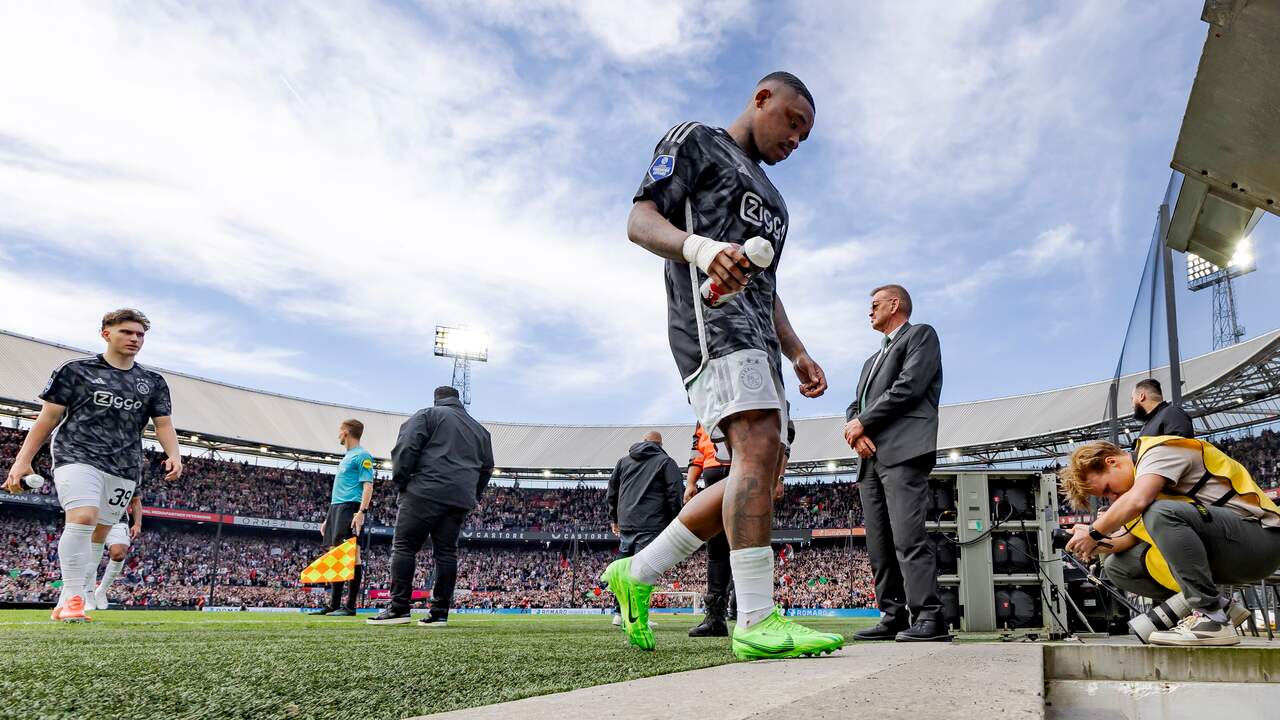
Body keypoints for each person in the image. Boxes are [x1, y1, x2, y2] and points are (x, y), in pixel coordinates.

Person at [603, 71, 844, 660]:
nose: (796, 141)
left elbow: (769, 287)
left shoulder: (777, 203)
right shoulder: (697, 140)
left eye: (806, 137)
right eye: (793, 123)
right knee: (756, 451)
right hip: (711, 325)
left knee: (758, 473)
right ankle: (757, 620)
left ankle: (637, 573)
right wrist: (702, 248)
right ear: (761, 99)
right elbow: (639, 219)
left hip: (761, 339)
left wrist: (798, 350)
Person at [2, 308, 182, 622]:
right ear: (106, 333)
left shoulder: (152, 381)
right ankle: (73, 598)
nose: (134, 339)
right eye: (127, 332)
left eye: (140, 334)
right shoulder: (76, 370)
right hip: (77, 453)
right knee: (84, 517)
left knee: (99, 533)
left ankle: (74, 593)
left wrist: (174, 455)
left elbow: (163, 424)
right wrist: (22, 461)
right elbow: (48, 417)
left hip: (125, 465)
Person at [1061, 436, 1280, 646]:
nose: (1112, 498)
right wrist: (1093, 544)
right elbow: (1126, 540)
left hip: (1262, 539)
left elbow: (1138, 501)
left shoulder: (1159, 452)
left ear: (1112, 462)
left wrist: (1093, 531)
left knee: (1159, 512)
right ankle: (1218, 608)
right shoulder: (1146, 491)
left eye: (1108, 489)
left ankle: (1212, 618)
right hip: (1228, 548)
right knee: (1118, 567)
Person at [843, 284, 948, 642]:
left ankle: (930, 617)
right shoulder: (870, 361)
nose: (869, 311)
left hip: (903, 451)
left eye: (874, 304)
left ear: (895, 304)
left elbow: (908, 387)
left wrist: (864, 422)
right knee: (880, 544)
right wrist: (856, 431)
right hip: (870, 458)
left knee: (908, 537)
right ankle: (893, 614)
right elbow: (853, 406)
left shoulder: (920, 336)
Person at [369, 386, 493, 627]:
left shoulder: (428, 415)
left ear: (437, 399)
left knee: (404, 546)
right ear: (458, 401)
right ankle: (439, 613)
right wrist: (472, 495)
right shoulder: (481, 431)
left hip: (424, 490)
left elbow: (406, 447)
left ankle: (399, 608)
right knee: (446, 553)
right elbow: (487, 468)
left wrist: (402, 480)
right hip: (459, 498)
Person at [606, 431, 683, 629]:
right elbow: (675, 492)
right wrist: (677, 519)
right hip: (652, 523)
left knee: (624, 568)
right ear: (661, 444)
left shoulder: (623, 462)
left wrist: (614, 518)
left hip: (627, 524)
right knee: (643, 572)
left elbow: (612, 492)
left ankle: (618, 612)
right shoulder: (666, 462)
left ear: (643, 442)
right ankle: (638, 616)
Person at [310, 419, 377, 617]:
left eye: (340, 430)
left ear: (347, 432)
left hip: (351, 508)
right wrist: (328, 518)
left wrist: (361, 512)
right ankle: (334, 604)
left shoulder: (363, 456)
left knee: (352, 556)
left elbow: (368, 485)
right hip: (336, 509)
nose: (338, 434)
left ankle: (350, 607)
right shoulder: (347, 456)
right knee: (335, 555)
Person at [685, 423, 732, 636]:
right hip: (713, 475)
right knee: (716, 548)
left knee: (746, 543)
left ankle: (754, 616)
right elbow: (697, 449)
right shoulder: (702, 403)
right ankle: (715, 618)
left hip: (744, 467)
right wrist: (691, 482)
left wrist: (778, 476)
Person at [86, 493, 142, 610]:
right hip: (93, 517)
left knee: (119, 554)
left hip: (118, 518)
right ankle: (88, 594)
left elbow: (135, 500)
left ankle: (101, 590)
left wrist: (137, 523)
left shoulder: (129, 475)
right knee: (91, 559)